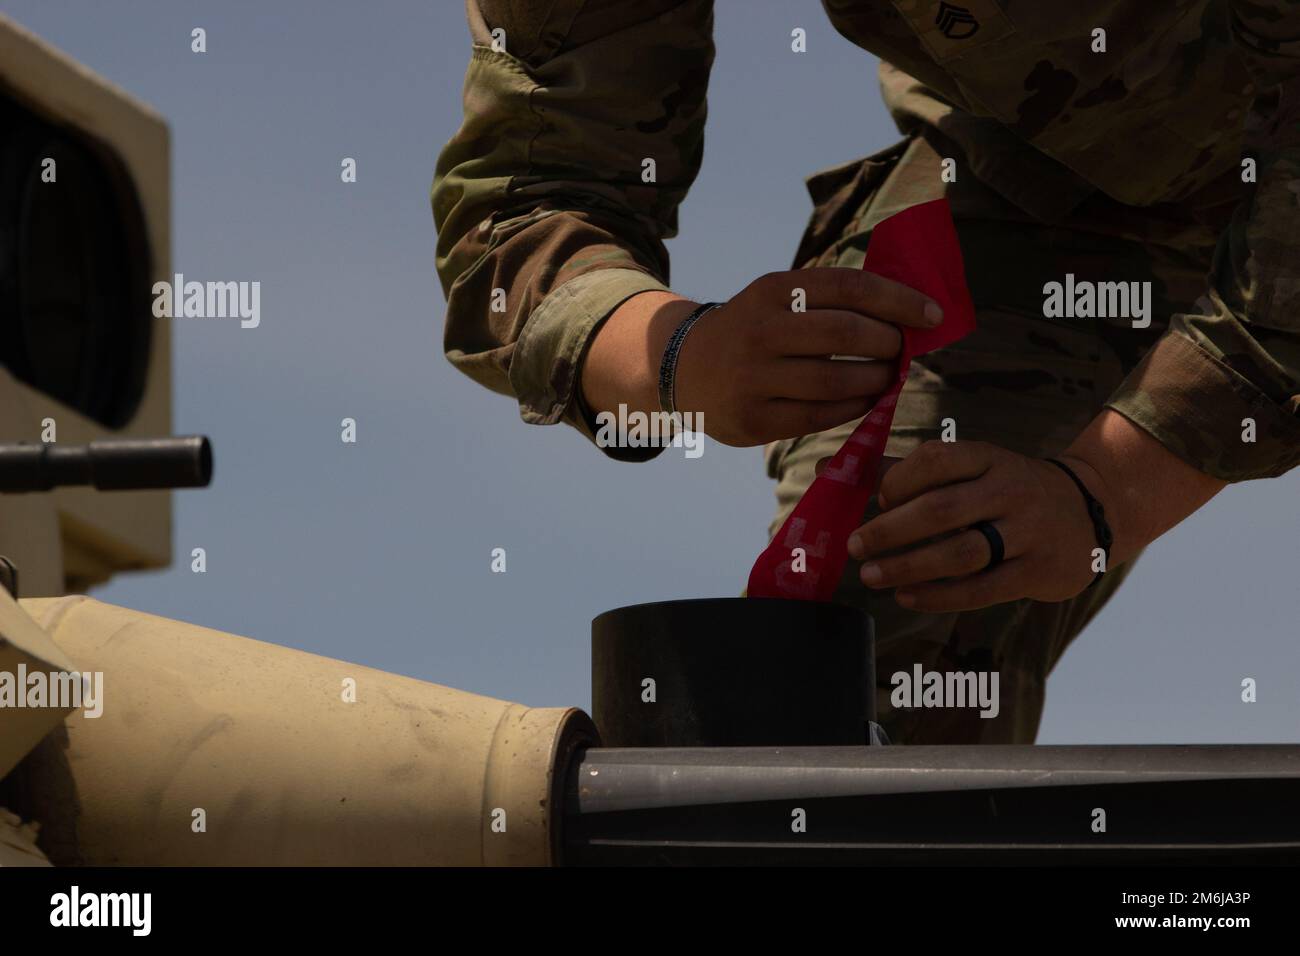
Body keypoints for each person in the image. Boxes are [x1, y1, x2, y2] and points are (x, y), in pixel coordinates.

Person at [432, 1, 1300, 743]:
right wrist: (681, 361)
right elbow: (530, 198)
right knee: (862, 661)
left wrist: (1112, 490)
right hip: (1049, 170)